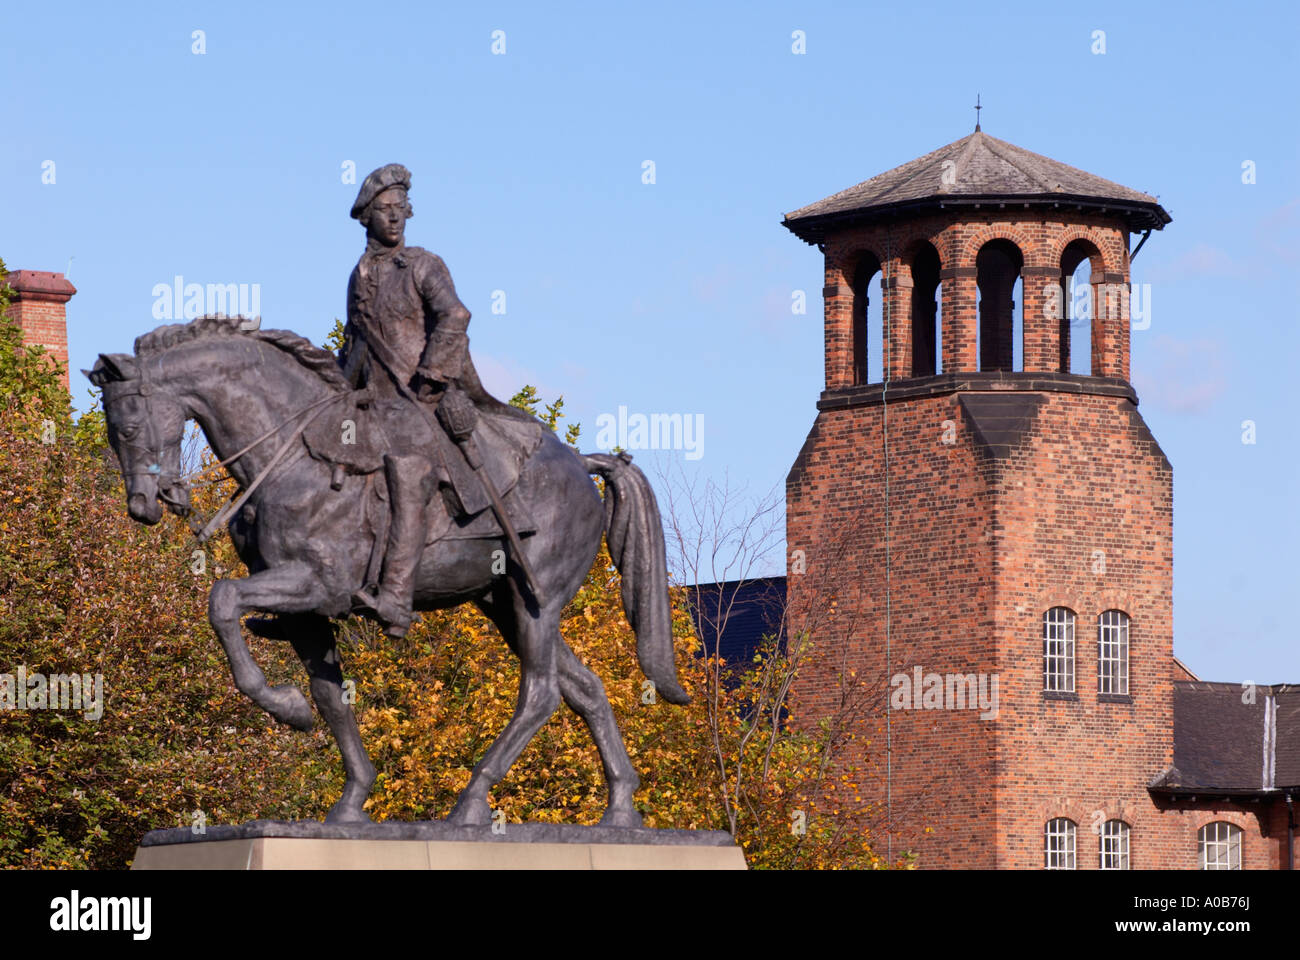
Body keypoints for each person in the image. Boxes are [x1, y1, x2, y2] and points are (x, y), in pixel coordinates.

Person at [340, 163, 531, 637]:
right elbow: (354, 344)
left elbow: (455, 316)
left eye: (400, 210)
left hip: (422, 401)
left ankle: (396, 599)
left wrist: (432, 375)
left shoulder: (424, 264)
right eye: (384, 210)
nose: (394, 218)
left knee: (407, 473)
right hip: (373, 403)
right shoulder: (358, 275)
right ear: (366, 217)